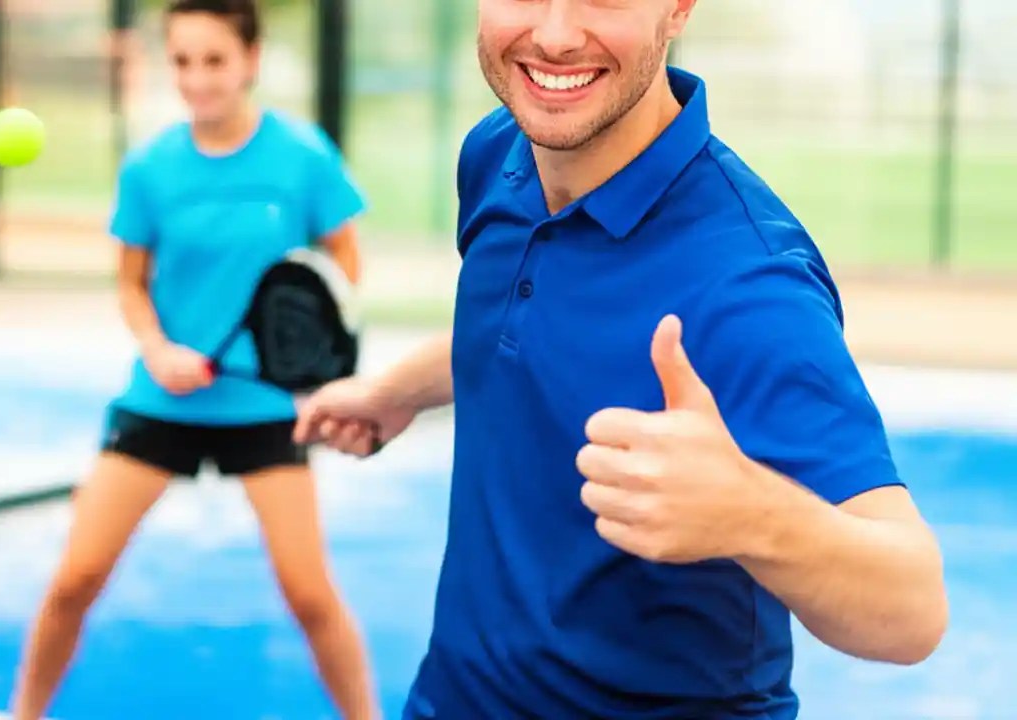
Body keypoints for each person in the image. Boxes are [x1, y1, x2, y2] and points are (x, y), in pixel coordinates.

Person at [295, 1, 949, 718]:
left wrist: (753, 515)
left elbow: (913, 609)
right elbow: (537, 319)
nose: (553, 34)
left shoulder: (748, 287)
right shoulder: (498, 152)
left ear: (677, 9)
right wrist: (398, 389)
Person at [11, 2, 376, 718]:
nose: (198, 78)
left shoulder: (303, 157)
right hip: (162, 399)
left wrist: (309, 370)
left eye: (215, 60)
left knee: (310, 595)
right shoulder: (149, 168)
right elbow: (130, 283)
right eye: (182, 61)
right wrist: (158, 350)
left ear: (250, 60)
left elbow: (343, 274)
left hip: (266, 408)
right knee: (73, 581)